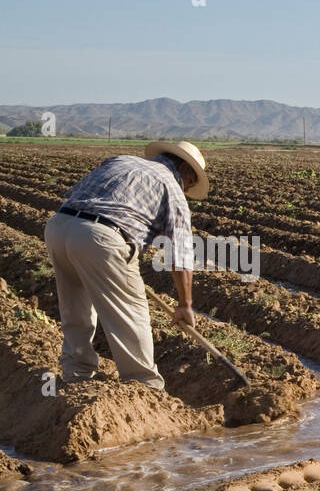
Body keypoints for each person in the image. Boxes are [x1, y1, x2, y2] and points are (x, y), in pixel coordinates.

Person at [43, 140, 209, 390]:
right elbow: (181, 253)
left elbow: (77, 195)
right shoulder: (171, 188)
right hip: (100, 237)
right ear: (185, 170)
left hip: (60, 226)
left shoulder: (120, 161)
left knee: (74, 306)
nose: (187, 189)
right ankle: (144, 385)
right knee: (131, 313)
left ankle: (76, 373)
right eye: (191, 184)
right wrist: (185, 305)